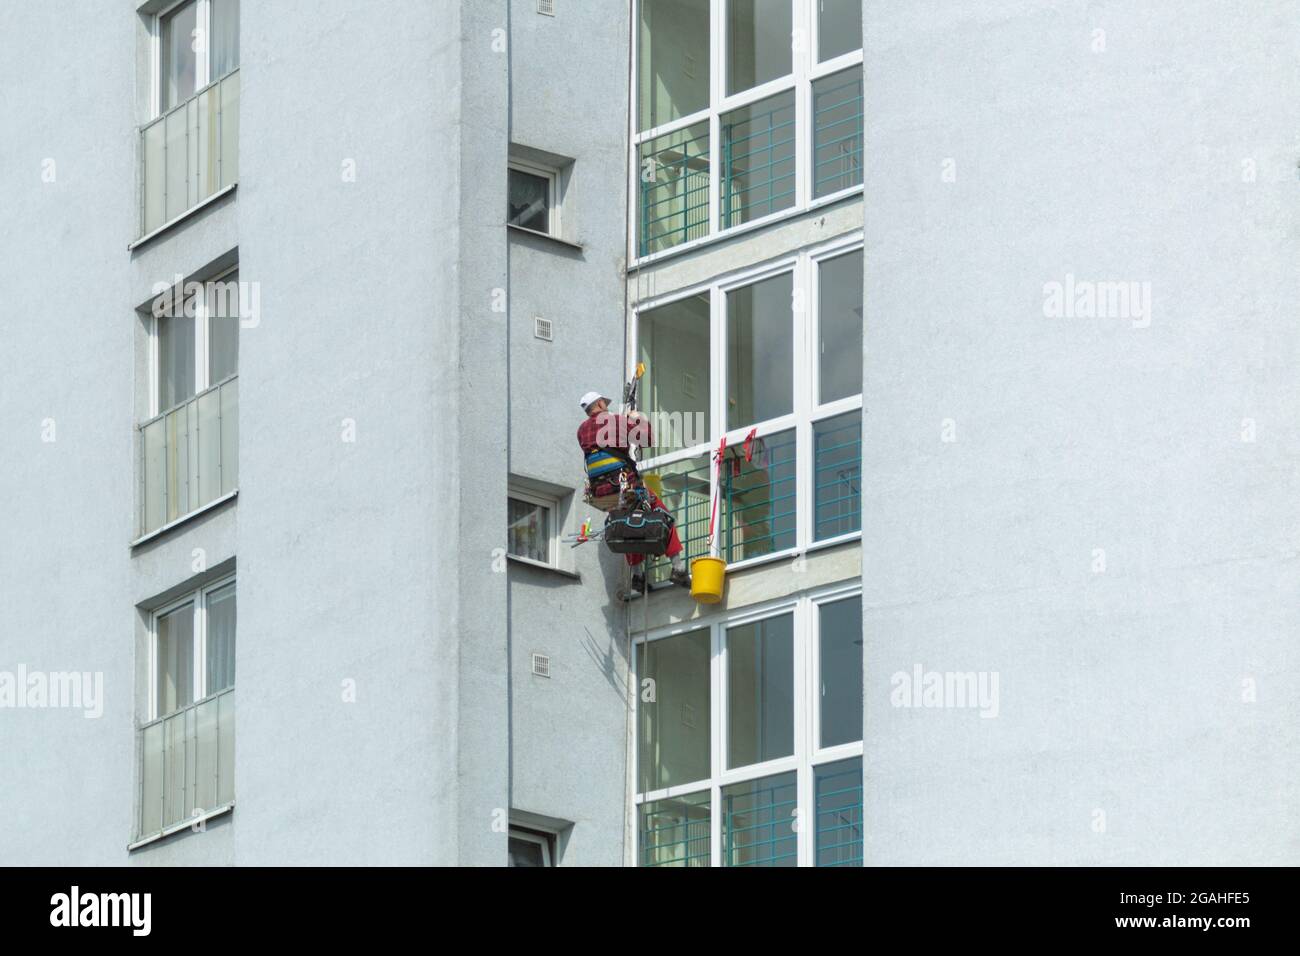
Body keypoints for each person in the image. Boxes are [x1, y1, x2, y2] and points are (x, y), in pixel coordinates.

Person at [577, 390, 690, 594]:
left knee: (631, 525)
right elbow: (647, 439)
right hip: (625, 486)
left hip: (602, 492)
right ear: (600, 403)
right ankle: (678, 568)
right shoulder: (615, 422)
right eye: (605, 403)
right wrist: (637, 419)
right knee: (663, 516)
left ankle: (637, 575)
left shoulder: (581, 431)